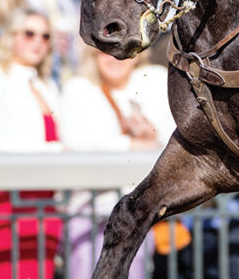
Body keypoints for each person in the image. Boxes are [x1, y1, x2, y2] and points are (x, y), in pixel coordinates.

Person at [59, 46, 174, 278]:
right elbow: (75, 144)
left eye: (125, 50)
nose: (115, 57)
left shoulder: (153, 80)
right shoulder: (78, 88)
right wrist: (133, 144)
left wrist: (150, 137)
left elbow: (172, 135)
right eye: (105, 50)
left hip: (137, 213)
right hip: (87, 210)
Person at [0, 8, 62, 279]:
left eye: (45, 36)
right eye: (29, 33)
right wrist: (53, 151)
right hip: (3, 203)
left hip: (44, 204)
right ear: (11, 36)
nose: (38, 41)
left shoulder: (46, 84)